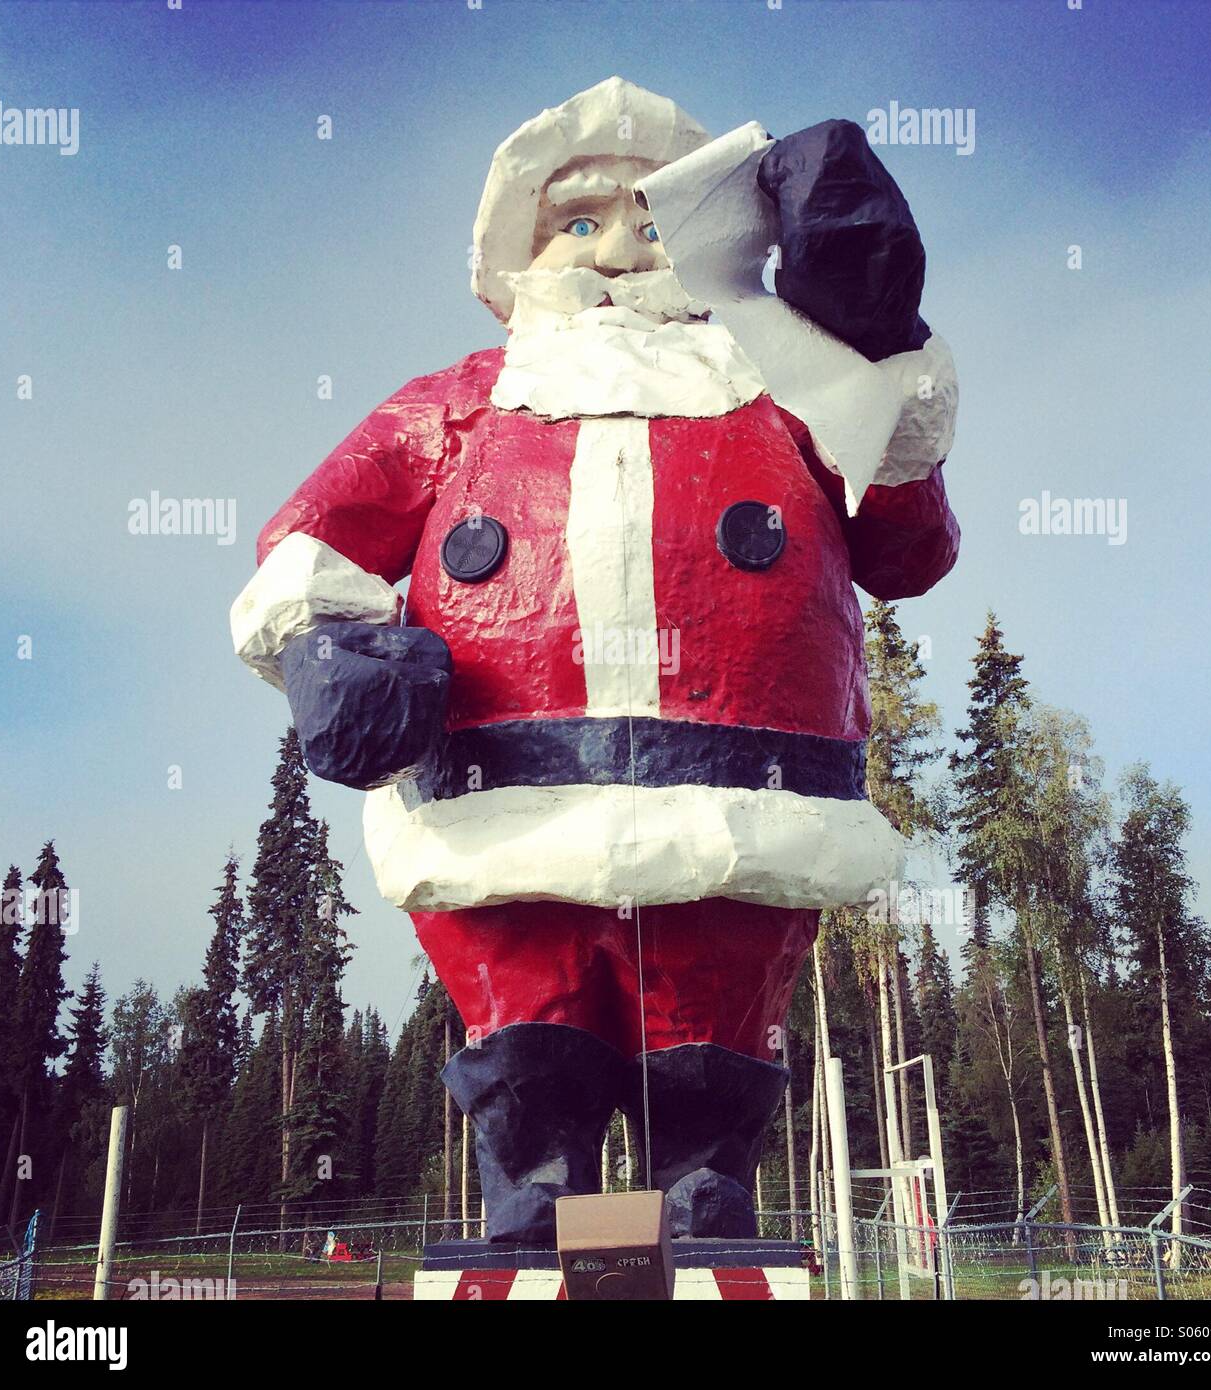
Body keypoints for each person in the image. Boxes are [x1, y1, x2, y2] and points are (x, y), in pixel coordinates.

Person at [231, 78, 958, 1244]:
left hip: (745, 795)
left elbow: (907, 548)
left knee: (714, 996)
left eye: (650, 218)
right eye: (581, 221)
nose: (620, 244)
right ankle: (539, 1181)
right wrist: (329, 646)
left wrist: (872, 354)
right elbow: (312, 540)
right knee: (528, 996)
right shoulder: (453, 405)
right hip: (507, 799)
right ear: (525, 249)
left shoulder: (786, 392)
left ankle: (704, 1175)